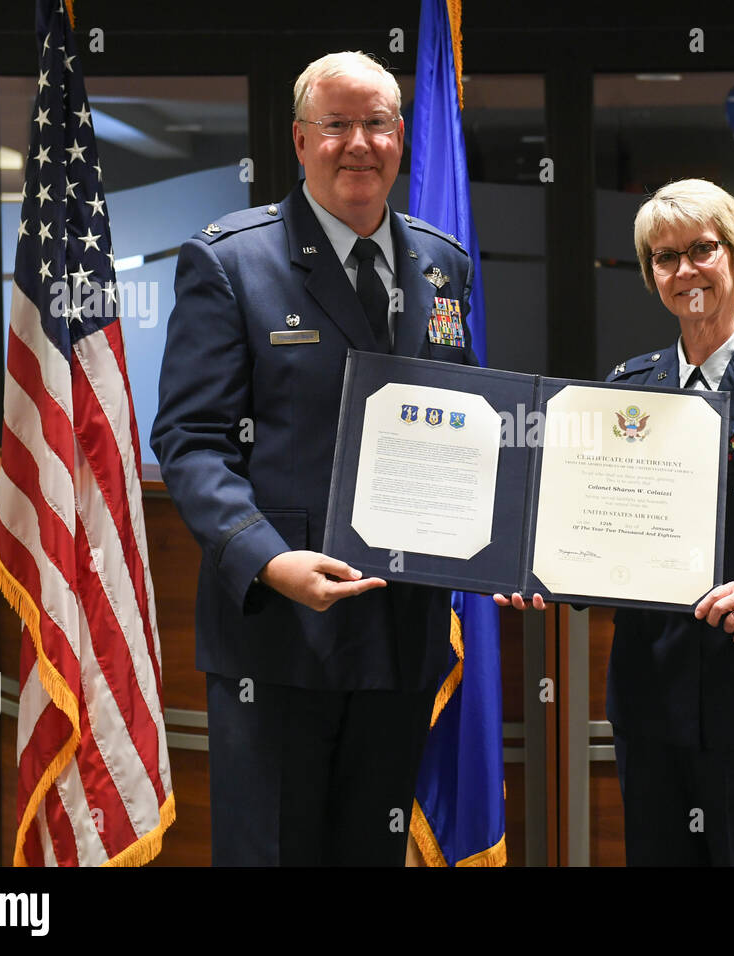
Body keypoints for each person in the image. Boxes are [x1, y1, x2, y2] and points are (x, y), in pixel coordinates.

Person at [150, 51, 477, 866]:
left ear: (400, 137)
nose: (357, 143)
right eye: (336, 125)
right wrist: (268, 561)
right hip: (279, 636)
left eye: (376, 123)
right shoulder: (230, 262)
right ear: (300, 141)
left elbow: (468, 431)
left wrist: (512, 546)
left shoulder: (442, 264)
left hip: (400, 631)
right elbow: (190, 444)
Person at [502, 178, 734, 864]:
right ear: (651, 276)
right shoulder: (625, 391)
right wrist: (545, 575)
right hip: (655, 713)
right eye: (664, 257)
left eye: (700, 249)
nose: (685, 271)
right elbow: (601, 534)